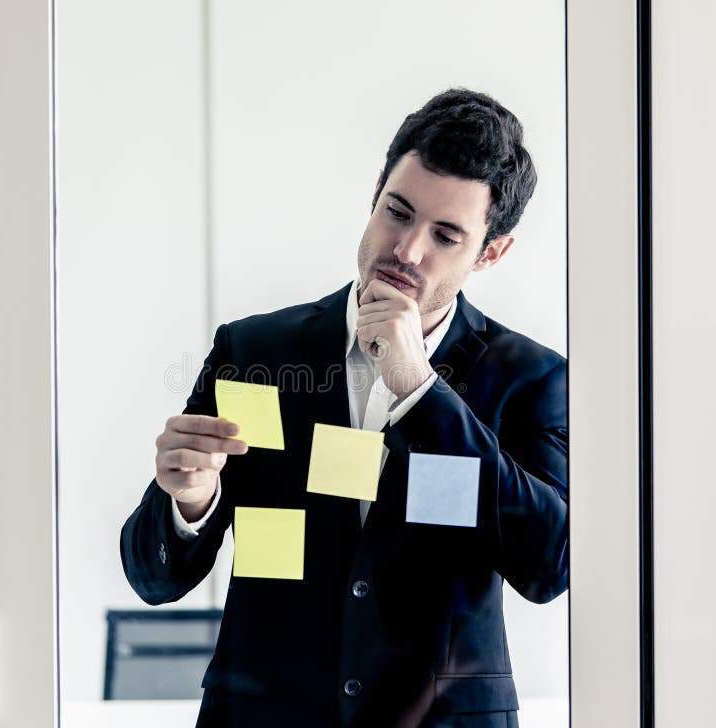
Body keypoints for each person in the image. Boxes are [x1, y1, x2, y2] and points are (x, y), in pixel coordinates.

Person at [121, 87, 568, 728]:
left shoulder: (529, 378)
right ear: (375, 192)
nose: (407, 251)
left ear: (491, 252)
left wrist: (420, 390)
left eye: (445, 234)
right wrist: (189, 503)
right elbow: (153, 578)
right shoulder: (257, 351)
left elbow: (547, 566)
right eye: (398, 211)